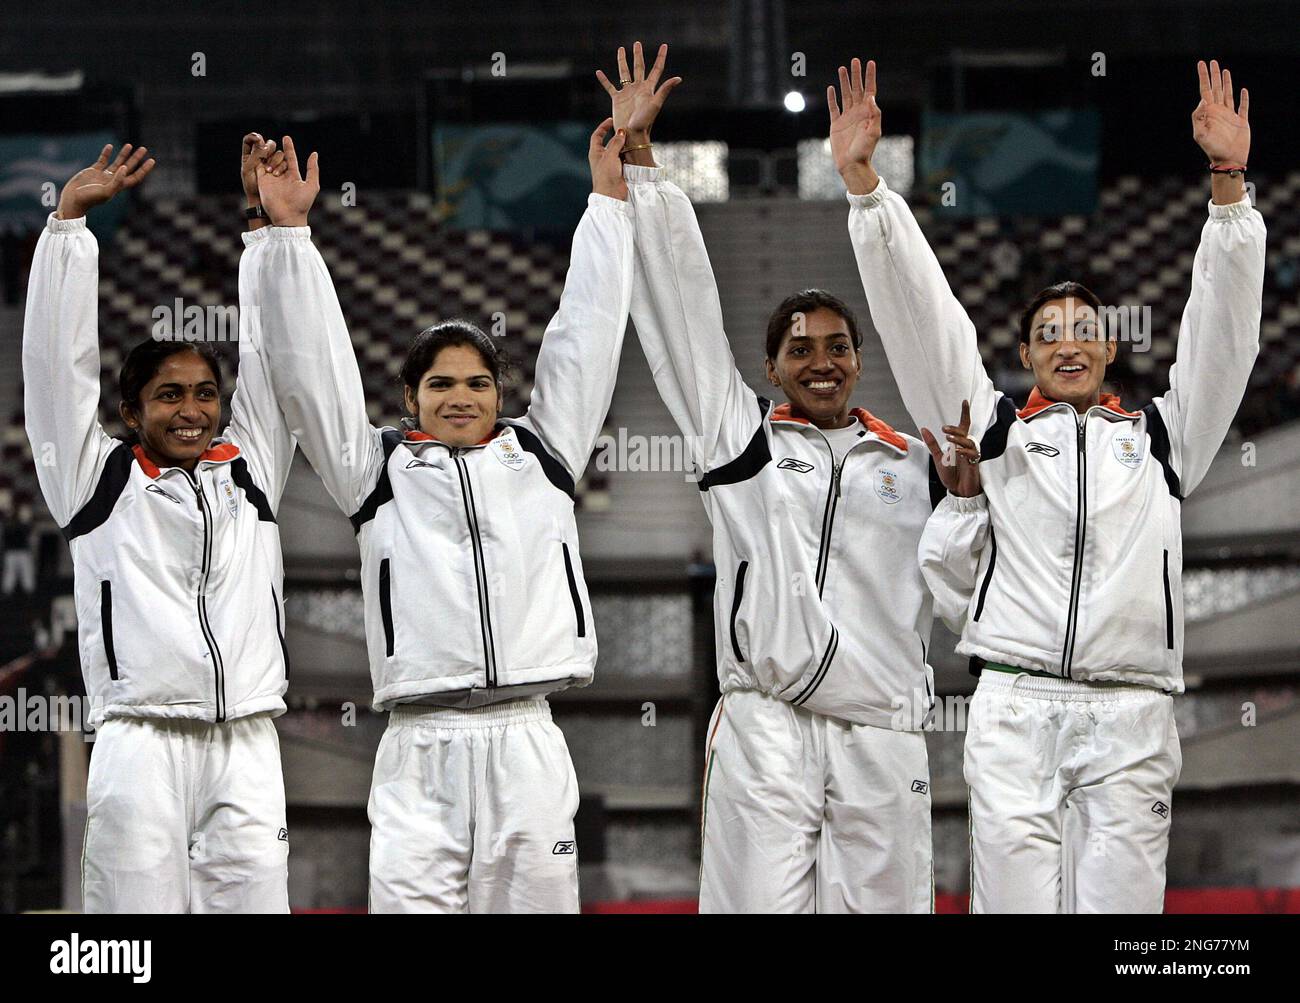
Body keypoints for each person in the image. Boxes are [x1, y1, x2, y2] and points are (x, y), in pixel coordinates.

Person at [838, 56, 1264, 912]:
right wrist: (866, 191)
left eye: (1085, 331)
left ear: (1110, 350)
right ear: (1026, 355)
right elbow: (926, 317)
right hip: (1014, 704)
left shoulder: (1162, 441)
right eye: (1048, 333)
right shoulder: (994, 434)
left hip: (1132, 712)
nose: (1068, 343)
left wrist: (1229, 190)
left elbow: (1223, 341)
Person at [246, 121, 633, 913]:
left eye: (478, 382)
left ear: (500, 391)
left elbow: (585, 336)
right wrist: (288, 236)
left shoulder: (546, 453)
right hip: (419, 744)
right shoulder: (375, 470)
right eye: (441, 383)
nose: (462, 395)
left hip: (527, 735)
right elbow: (314, 371)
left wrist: (608, 204)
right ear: (410, 398)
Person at [606, 41, 939, 913]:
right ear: (772, 367)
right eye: (800, 349)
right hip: (767, 724)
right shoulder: (741, 442)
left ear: (862, 361)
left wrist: (866, 180)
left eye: (836, 346)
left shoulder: (920, 463)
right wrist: (643, 164)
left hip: (881, 729)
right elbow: (681, 312)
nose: (820, 361)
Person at [23, 140, 298, 912]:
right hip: (138, 741)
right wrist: (70, 232)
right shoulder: (96, 478)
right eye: (170, 395)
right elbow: (55, 369)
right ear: (131, 411)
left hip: (248, 739)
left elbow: (273, 356)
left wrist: (265, 227)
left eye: (205, 393)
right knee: (130, 938)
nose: (192, 410)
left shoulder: (250, 468)